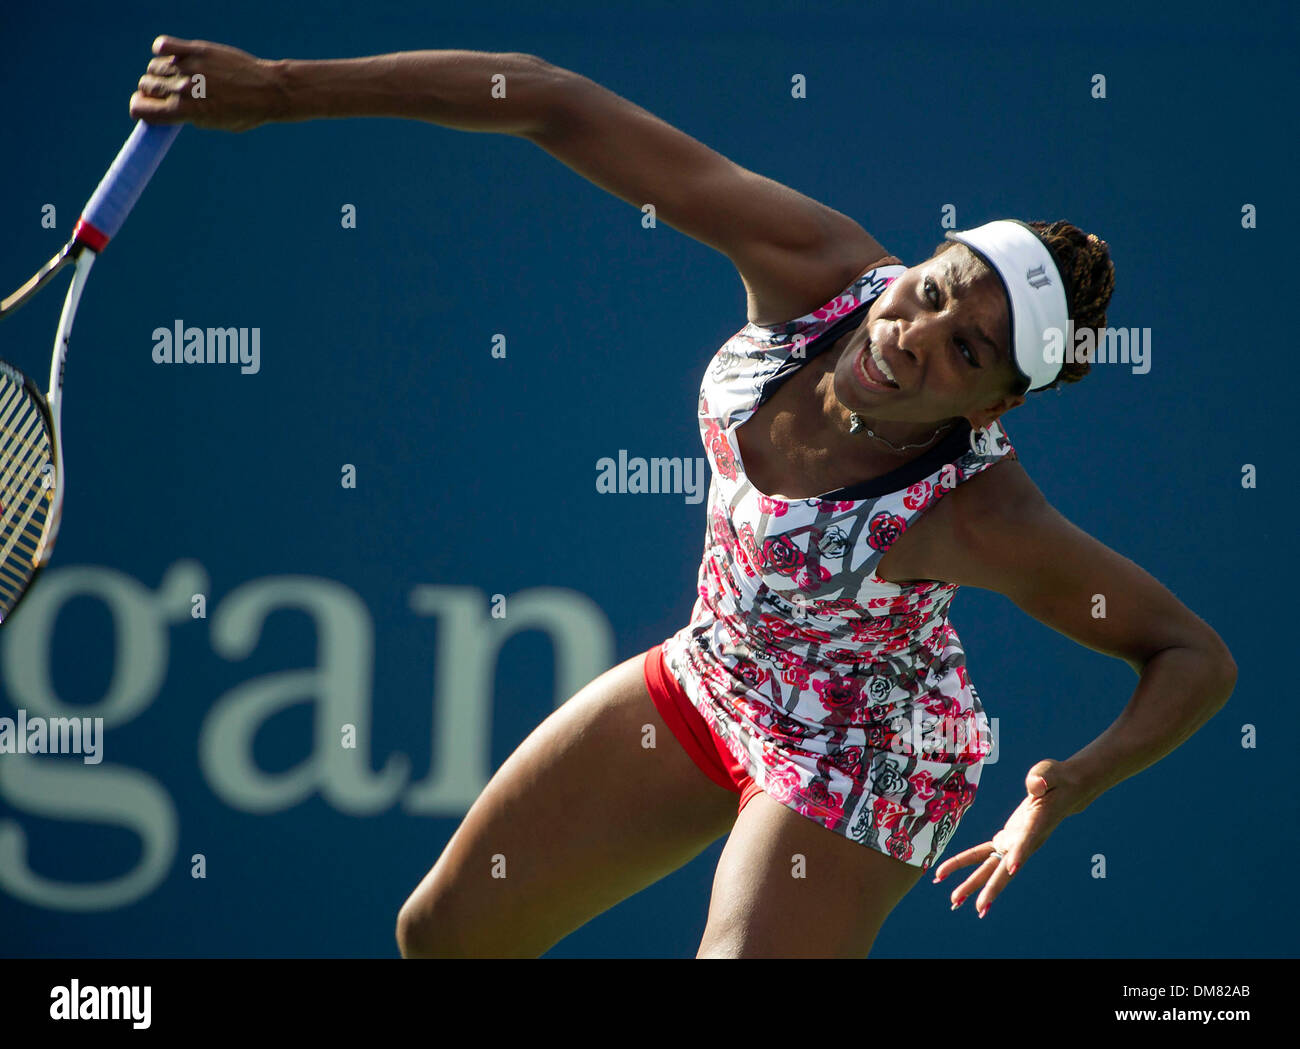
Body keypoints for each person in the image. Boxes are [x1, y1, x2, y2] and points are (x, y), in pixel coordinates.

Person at [130, 37, 1238, 959]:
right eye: (932, 290)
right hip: (714, 676)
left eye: (965, 352)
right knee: (446, 936)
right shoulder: (812, 268)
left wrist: (1071, 781)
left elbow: (1190, 653)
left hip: (866, 757)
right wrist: (277, 91)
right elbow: (551, 104)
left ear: (998, 403)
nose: (911, 338)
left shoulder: (980, 513)